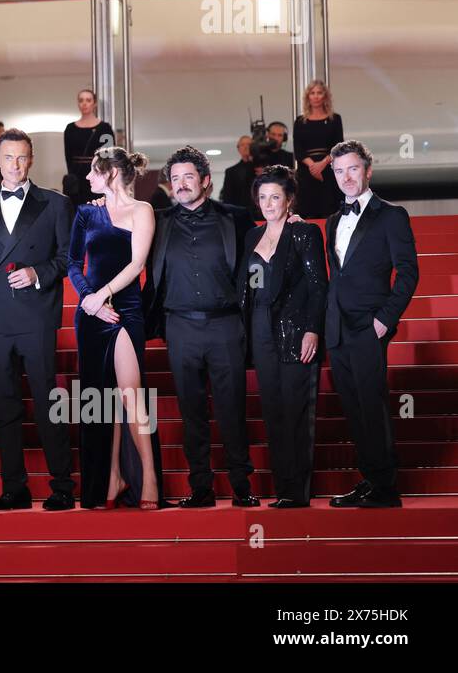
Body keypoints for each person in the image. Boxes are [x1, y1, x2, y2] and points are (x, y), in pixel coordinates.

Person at [142, 146, 258, 507]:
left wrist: (290, 222)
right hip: (179, 327)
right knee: (191, 411)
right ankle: (201, 488)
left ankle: (242, 486)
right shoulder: (156, 221)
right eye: (175, 179)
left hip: (225, 325)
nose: (181, 184)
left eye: (188, 177)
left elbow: (265, 248)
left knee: (231, 409)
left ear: (206, 180)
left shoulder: (236, 218)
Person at [0, 129, 75, 510]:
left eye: (21, 157)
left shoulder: (55, 204)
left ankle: (62, 487)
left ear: (31, 160)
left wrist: (37, 273)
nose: (14, 165)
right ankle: (15, 488)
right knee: (4, 406)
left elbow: (67, 259)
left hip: (37, 316)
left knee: (48, 403)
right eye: (7, 157)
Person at [69, 147, 164, 509]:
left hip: (125, 309)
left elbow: (137, 262)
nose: (89, 179)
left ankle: (149, 477)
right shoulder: (86, 212)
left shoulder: (143, 211)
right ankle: (112, 478)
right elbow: (74, 264)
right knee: (100, 401)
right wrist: (90, 299)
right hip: (92, 312)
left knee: (129, 395)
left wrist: (105, 296)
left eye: (94, 172)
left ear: (110, 174)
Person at [325, 141, 418, 508]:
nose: (346, 177)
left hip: (369, 325)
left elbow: (409, 273)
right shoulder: (334, 220)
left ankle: (385, 486)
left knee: (372, 405)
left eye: (352, 169)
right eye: (338, 171)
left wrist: (384, 320)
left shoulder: (391, 215)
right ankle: (369, 479)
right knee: (354, 407)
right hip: (338, 329)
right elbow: (338, 276)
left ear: (367, 171)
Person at [238, 165, 326, 508]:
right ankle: (283, 487)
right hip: (259, 328)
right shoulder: (251, 237)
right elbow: (247, 286)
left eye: (275, 197)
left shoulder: (304, 233)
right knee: (273, 411)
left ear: (289, 199)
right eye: (262, 198)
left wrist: (313, 329)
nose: (268, 203)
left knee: (296, 410)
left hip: (295, 328)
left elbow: (319, 287)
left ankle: (297, 491)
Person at [292, 79, 344, 219]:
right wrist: (313, 166)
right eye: (312, 93)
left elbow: (338, 146)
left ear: (325, 96)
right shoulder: (300, 121)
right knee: (307, 209)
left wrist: (322, 164)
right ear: (308, 97)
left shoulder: (335, 119)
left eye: (319, 93)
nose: (315, 96)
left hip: (328, 168)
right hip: (306, 170)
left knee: (330, 209)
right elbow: (298, 149)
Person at [63, 89, 115, 207]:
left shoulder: (105, 128)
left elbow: (108, 156)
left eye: (88, 100)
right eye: (81, 100)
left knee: (97, 209)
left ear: (94, 104)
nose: (84, 103)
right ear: (78, 103)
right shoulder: (70, 128)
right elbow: (68, 156)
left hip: (98, 173)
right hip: (76, 177)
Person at [221, 135, 256, 213]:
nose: (246, 147)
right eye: (243, 145)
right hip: (239, 214)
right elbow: (227, 198)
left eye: (249, 144)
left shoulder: (262, 168)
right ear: (238, 148)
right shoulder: (231, 172)